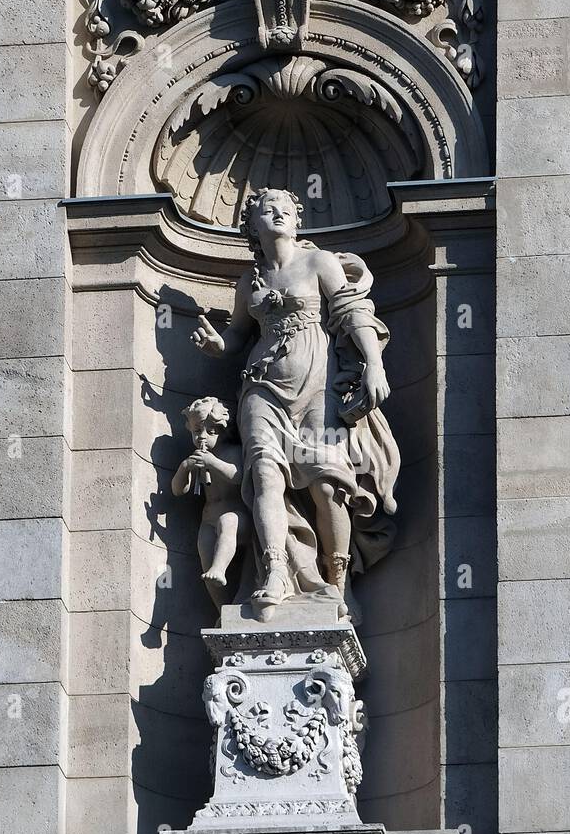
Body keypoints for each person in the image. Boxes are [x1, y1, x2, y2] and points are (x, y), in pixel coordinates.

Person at [190, 187, 399, 621]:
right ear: (252, 225)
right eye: (268, 209)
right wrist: (218, 345)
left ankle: (338, 586)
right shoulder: (250, 281)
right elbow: (237, 336)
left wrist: (374, 364)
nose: (278, 213)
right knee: (265, 476)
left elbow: (352, 313)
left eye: (286, 208)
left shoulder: (318, 262)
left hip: (317, 384)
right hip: (261, 386)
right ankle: (275, 571)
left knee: (327, 485)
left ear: (297, 219)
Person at [171, 397, 248, 608]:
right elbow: (179, 490)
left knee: (227, 523)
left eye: (210, 432)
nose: (202, 437)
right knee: (205, 552)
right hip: (208, 519)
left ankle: (219, 569)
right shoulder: (196, 458)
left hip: (238, 516)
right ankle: (222, 608)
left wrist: (212, 463)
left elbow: (239, 476)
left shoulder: (231, 452)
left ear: (224, 431)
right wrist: (184, 468)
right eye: (197, 431)